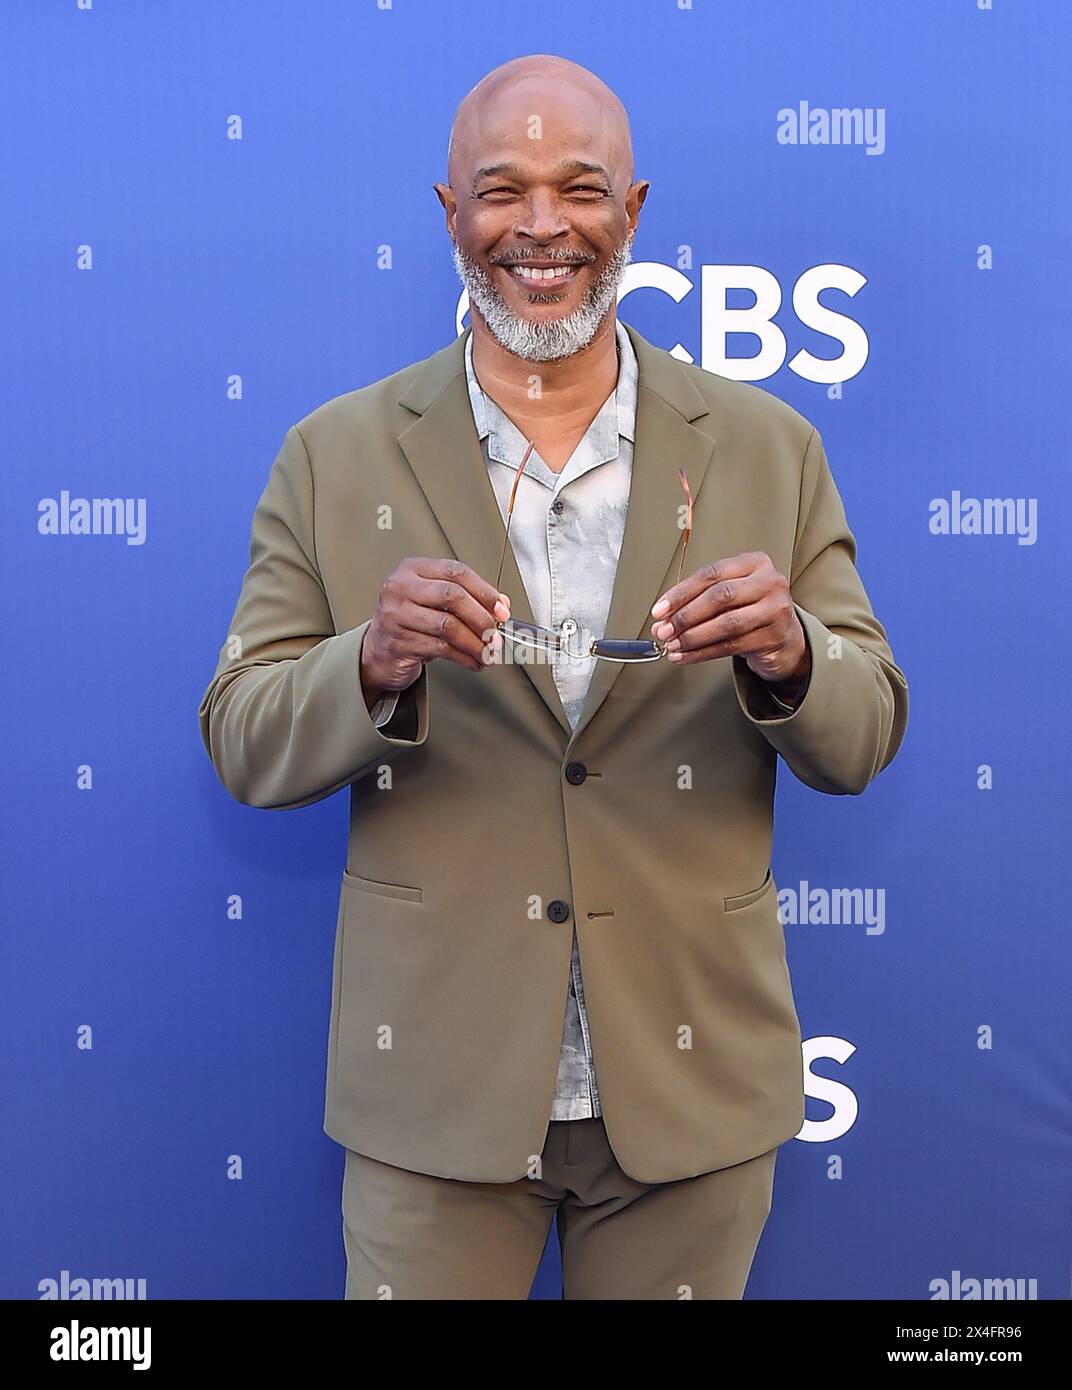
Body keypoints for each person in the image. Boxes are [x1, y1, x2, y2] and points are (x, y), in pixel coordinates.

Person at [198, 53, 909, 1300]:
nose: (541, 227)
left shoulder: (767, 445)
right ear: (448, 214)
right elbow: (244, 740)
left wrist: (794, 653)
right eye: (500, 190)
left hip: (689, 1091)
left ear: (632, 214)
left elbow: (866, 734)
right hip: (436, 1091)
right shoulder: (332, 452)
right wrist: (367, 662)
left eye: (580, 189)